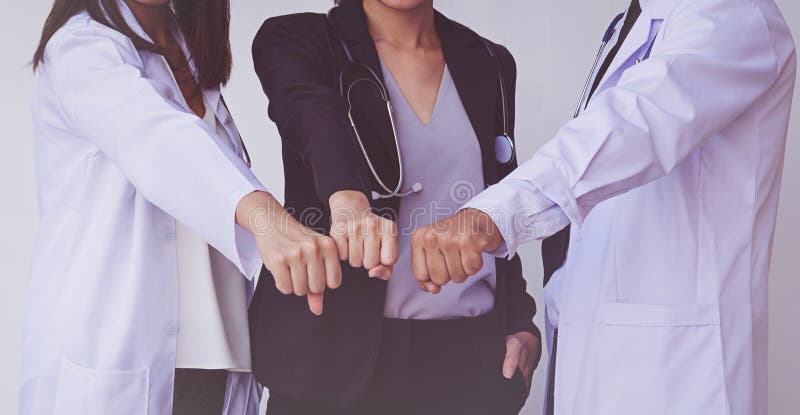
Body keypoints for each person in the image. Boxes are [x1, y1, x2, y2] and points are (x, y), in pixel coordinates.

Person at [411, 0, 796, 414]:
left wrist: (494, 214)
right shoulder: (633, 23)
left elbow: (632, 126)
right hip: (597, 356)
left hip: (678, 374)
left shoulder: (732, 14)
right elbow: (601, 211)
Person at [21, 0, 343, 413]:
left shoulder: (185, 47)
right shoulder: (79, 47)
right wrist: (267, 218)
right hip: (117, 361)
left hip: (214, 363)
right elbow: (158, 139)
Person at [249, 0, 541, 413]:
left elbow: (499, 195)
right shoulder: (299, 40)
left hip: (468, 365)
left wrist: (521, 323)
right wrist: (348, 200)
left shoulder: (490, 62)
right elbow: (312, 115)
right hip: (334, 367)